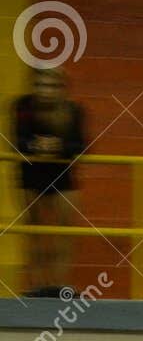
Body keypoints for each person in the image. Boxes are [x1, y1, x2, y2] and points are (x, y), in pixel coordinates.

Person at [12, 67, 88, 299]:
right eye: (40, 86)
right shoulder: (23, 107)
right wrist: (38, 147)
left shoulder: (74, 111)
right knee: (34, 233)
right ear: (33, 88)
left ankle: (60, 285)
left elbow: (80, 145)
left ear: (61, 90)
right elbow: (17, 142)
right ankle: (36, 285)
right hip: (30, 176)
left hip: (62, 177)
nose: (45, 91)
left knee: (63, 234)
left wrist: (56, 148)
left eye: (51, 86)